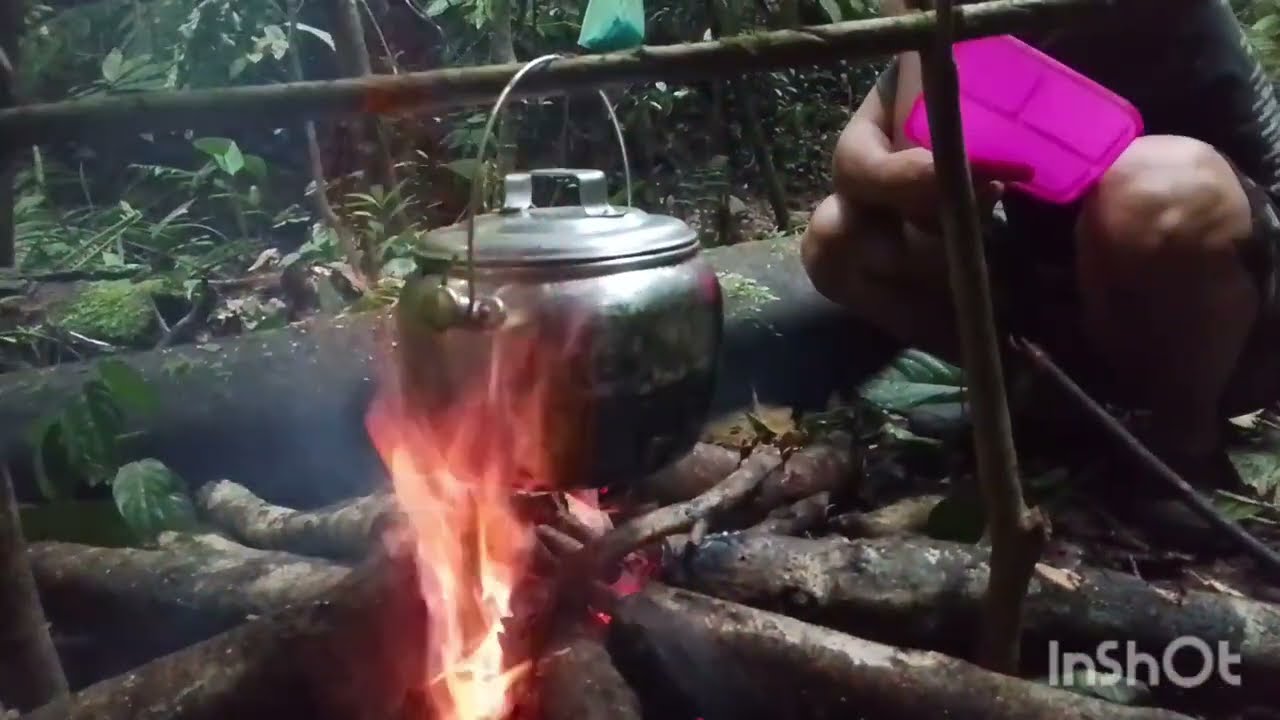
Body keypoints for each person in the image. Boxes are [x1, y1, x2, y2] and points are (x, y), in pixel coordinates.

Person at [801, 0, 1280, 536]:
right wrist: (900, 176)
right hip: (1081, 289)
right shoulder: (967, 21)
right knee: (840, 235)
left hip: (1241, 319)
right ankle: (1053, 407)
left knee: (1152, 188)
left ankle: (1183, 446)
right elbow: (865, 152)